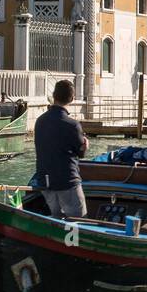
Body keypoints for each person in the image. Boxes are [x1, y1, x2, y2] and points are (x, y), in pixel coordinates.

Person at [34, 79, 89, 219]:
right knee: (78, 221)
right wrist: (85, 145)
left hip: (45, 182)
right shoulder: (73, 125)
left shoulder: (40, 121)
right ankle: (72, 241)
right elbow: (80, 153)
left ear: (54, 95)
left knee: (56, 218)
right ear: (71, 98)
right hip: (67, 181)